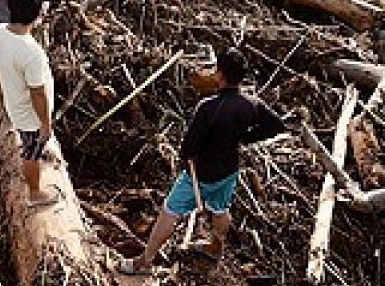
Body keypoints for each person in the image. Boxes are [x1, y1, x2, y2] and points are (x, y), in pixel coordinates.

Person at [118, 48, 287, 274]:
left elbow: (188, 148)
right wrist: (245, 138)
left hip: (201, 174)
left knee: (169, 211)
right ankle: (216, 247)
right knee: (220, 208)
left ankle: (143, 261)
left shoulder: (208, 107)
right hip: (228, 171)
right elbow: (277, 126)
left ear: (220, 75)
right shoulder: (252, 104)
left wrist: (185, 158)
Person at [0, 0, 59, 207]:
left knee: (32, 147)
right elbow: (37, 93)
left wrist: (1, 90)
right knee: (31, 151)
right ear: (36, 16)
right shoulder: (30, 52)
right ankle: (35, 193)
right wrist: (45, 124)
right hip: (29, 116)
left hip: (14, 101)